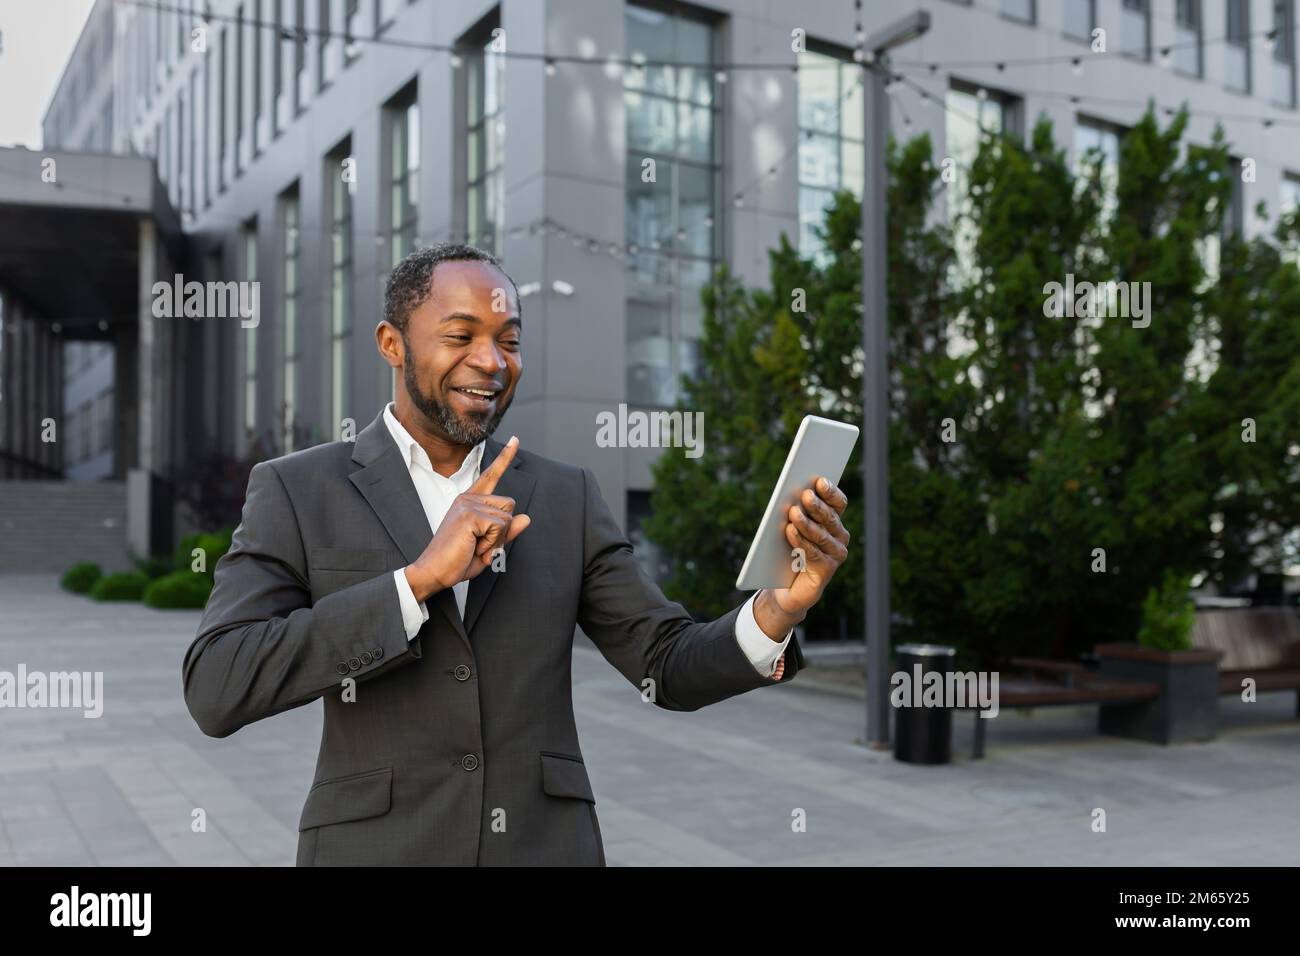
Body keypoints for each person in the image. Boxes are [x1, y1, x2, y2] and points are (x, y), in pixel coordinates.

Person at [183, 243, 852, 865]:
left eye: (509, 341)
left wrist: (777, 609)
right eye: (461, 336)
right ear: (393, 343)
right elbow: (218, 686)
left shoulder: (565, 496)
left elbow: (666, 664)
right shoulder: (299, 489)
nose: (492, 361)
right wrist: (414, 584)